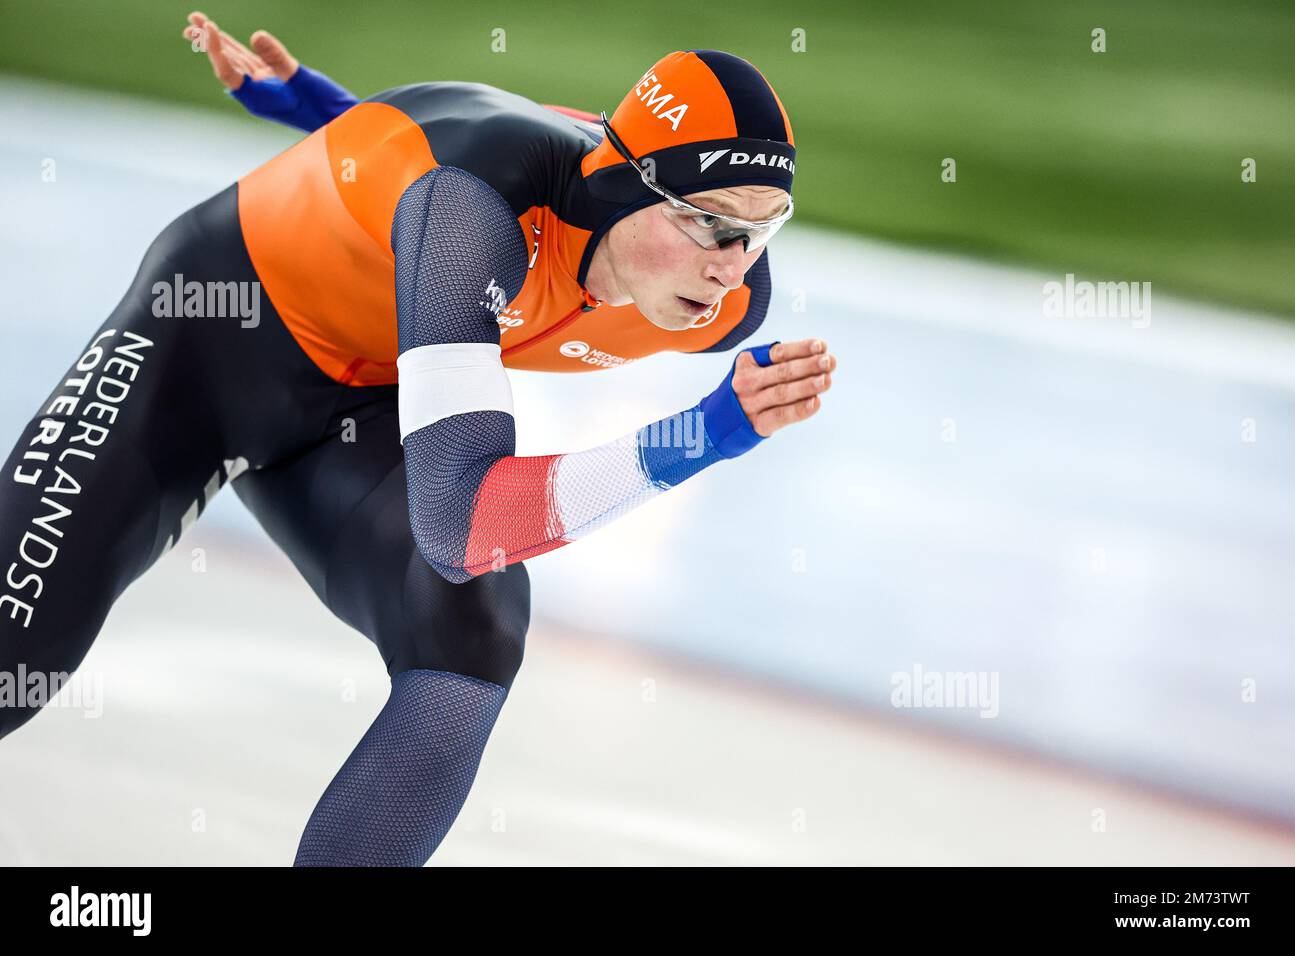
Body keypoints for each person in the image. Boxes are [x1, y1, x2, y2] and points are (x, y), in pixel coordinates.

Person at [0, 11, 836, 866]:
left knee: (471, 628)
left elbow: (433, 155)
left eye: (764, 228)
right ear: (626, 185)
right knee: (12, 652)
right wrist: (704, 434)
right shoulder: (477, 211)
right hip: (212, 336)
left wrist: (327, 112)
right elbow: (459, 520)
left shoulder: (723, 305)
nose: (732, 266)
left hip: (365, 400)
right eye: (710, 222)